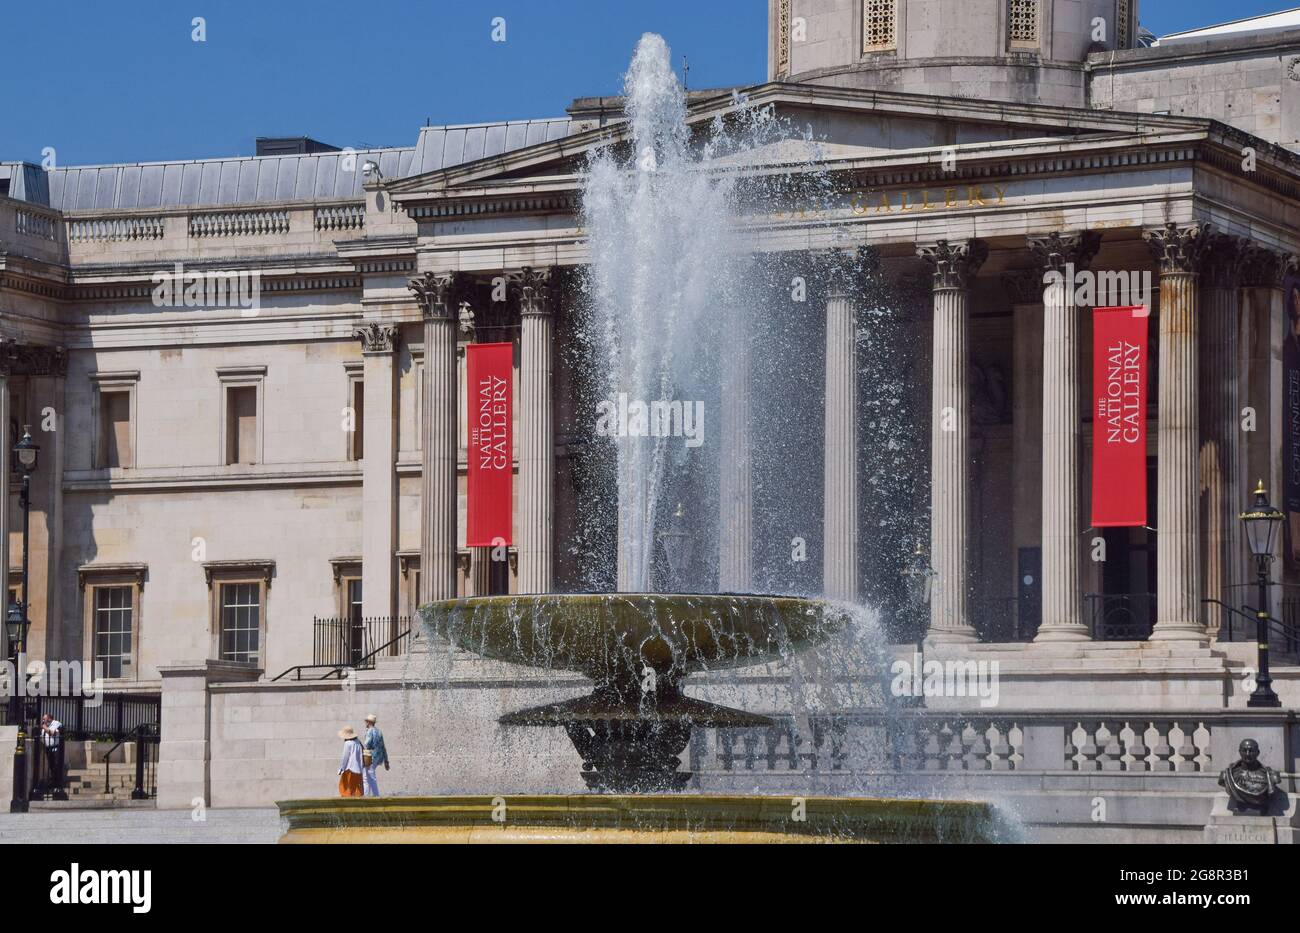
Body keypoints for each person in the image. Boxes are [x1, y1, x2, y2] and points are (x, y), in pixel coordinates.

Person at [362, 713, 389, 797]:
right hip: (378, 757)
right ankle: (367, 795)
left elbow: (367, 744)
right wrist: (386, 761)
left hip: (371, 757)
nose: (365, 723)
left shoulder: (370, 731)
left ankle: (375, 795)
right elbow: (383, 746)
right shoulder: (379, 731)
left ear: (369, 722)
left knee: (369, 776)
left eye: (366, 721)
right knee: (367, 775)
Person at [39, 714, 63, 795]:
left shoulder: (56, 724)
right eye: (43, 719)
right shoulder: (44, 727)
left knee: (56, 766)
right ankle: (53, 784)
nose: (43, 721)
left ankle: (58, 785)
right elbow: (42, 738)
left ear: (49, 718)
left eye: (44, 719)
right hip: (48, 749)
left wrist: (45, 728)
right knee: (51, 767)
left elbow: (54, 733)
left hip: (55, 748)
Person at [337, 726, 364, 797]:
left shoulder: (348, 743)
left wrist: (341, 769)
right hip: (358, 770)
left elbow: (345, 758)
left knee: (344, 789)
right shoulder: (358, 742)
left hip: (350, 769)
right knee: (357, 791)